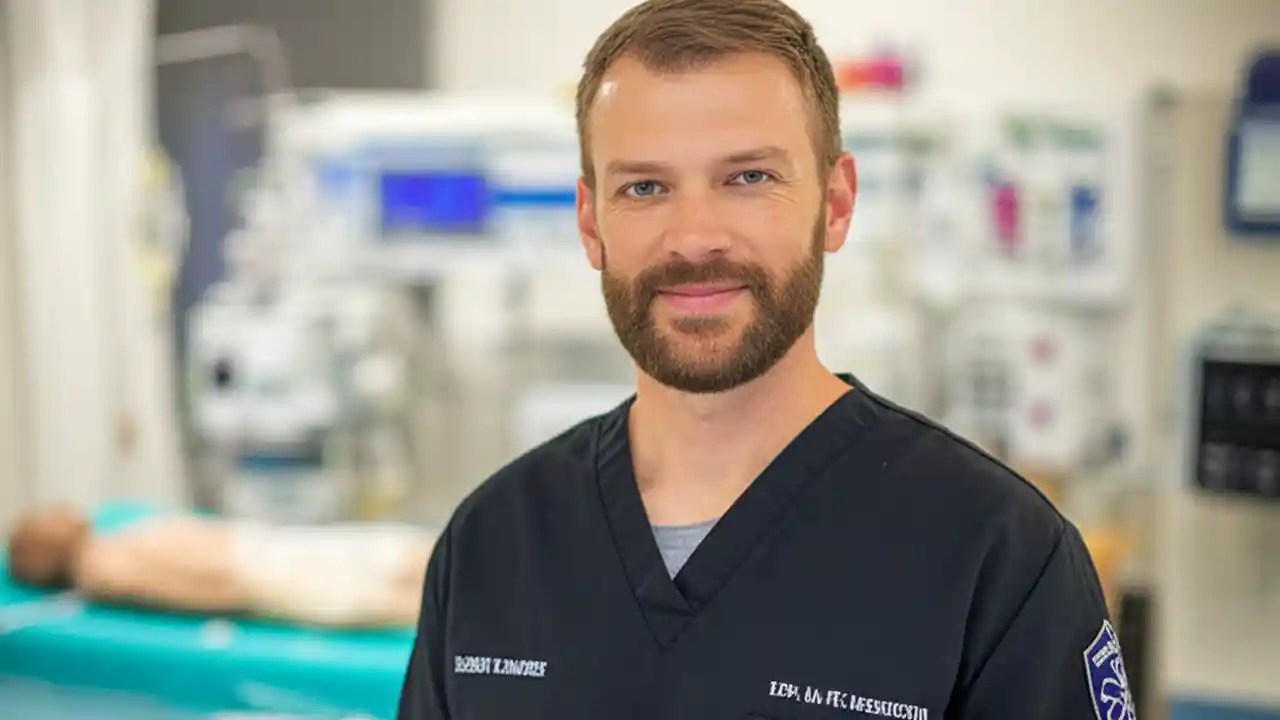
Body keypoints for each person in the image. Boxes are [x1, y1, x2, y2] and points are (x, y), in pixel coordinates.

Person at [398, 0, 1135, 717]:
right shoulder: (490, 547)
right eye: (645, 187)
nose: (695, 238)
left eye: (748, 178)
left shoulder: (998, 558)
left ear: (837, 203)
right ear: (592, 224)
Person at [7, 505, 434, 628]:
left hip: (271, 552)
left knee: (414, 555)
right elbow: (193, 586)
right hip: (269, 574)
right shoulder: (100, 568)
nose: (59, 508)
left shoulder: (109, 539)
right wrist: (250, 590)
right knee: (422, 594)